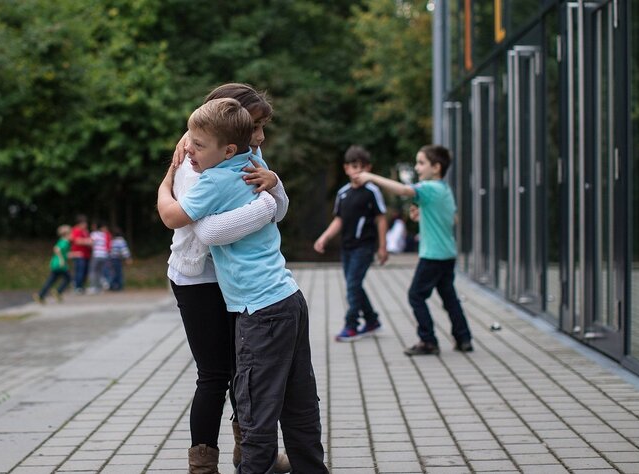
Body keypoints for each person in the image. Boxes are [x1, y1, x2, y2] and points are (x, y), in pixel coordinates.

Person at [158, 97, 327, 473]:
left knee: (255, 404)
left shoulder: (229, 169)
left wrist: (273, 193)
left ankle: (254, 464)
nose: (260, 138)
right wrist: (266, 202)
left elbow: (198, 224)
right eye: (256, 128)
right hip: (280, 296)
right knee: (290, 399)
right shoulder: (215, 163)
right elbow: (206, 228)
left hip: (257, 307)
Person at [354, 144, 474, 355]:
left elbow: (403, 190)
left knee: (416, 296)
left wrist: (370, 176)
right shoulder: (444, 190)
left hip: (432, 255)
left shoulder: (428, 188)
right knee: (449, 297)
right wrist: (424, 215)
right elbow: (452, 218)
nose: (417, 168)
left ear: (436, 167)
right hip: (448, 254)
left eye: (421, 163)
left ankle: (428, 341)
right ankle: (463, 338)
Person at [313, 145, 388, 342]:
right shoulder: (343, 193)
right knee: (354, 285)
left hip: (365, 247)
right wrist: (324, 238)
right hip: (347, 247)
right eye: (353, 167)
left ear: (368, 169)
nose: (357, 171)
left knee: (353, 285)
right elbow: (339, 220)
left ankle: (352, 325)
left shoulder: (372, 191)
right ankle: (371, 320)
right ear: (346, 168)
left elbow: (381, 219)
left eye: (361, 167)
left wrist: (382, 247)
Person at [33, 225, 72, 304]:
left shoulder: (62, 241)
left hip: (56, 264)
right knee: (68, 278)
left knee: (51, 280)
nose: (71, 235)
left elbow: (65, 253)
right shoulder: (64, 242)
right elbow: (56, 249)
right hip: (60, 264)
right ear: (66, 234)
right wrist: (61, 259)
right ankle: (58, 292)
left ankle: (41, 295)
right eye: (70, 233)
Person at [68, 215, 93, 294]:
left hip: (86, 255)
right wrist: (87, 241)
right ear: (80, 223)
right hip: (79, 255)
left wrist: (88, 242)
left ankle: (82, 286)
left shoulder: (85, 231)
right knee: (79, 271)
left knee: (85, 272)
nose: (86, 225)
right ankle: (77, 287)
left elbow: (90, 241)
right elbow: (77, 241)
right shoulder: (76, 230)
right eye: (84, 223)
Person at [87, 223, 111, 294]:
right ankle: (100, 286)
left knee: (93, 271)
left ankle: (93, 287)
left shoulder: (94, 234)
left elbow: (90, 243)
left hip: (97, 254)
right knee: (99, 271)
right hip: (104, 255)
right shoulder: (103, 234)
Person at [107, 227, 132, 291]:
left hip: (111, 259)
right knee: (119, 273)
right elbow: (124, 250)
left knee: (112, 272)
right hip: (117, 259)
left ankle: (112, 285)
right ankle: (119, 286)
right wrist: (127, 258)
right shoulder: (121, 240)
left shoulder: (112, 240)